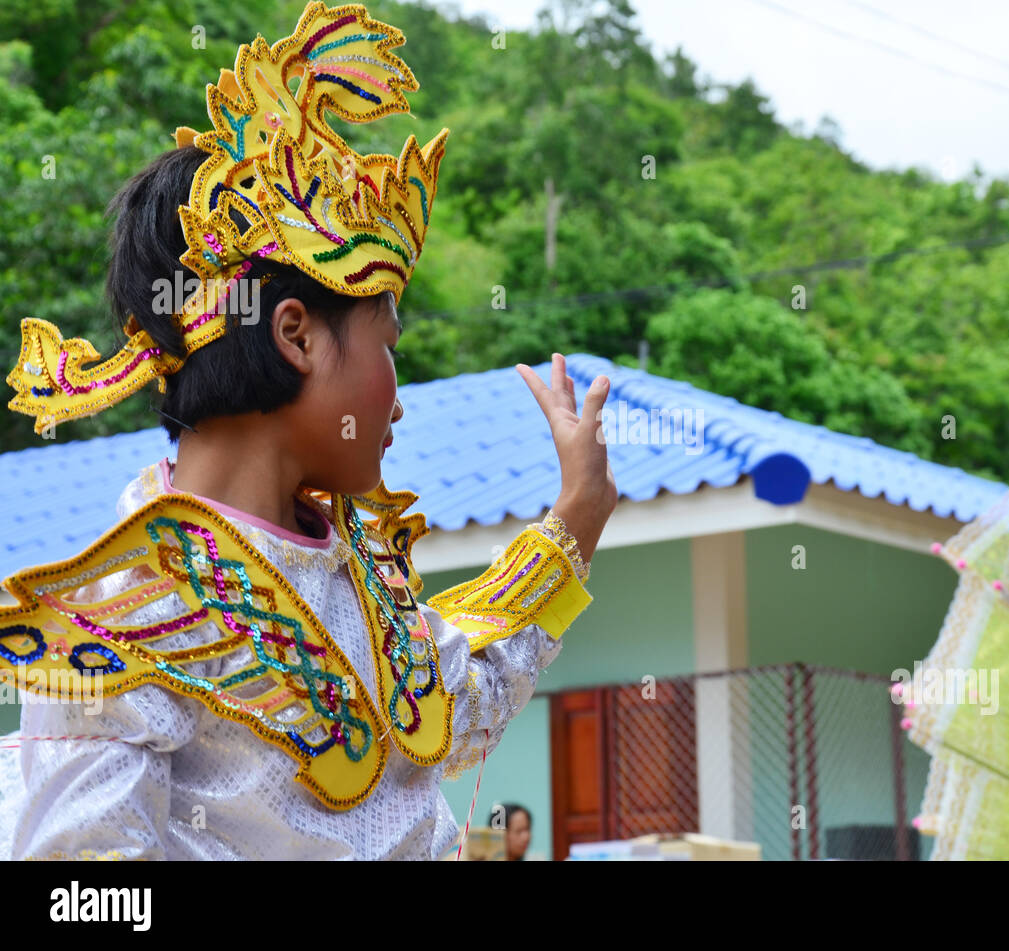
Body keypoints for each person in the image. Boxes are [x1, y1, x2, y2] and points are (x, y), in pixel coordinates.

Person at [0, 1, 617, 860]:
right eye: (389, 347)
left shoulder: (361, 563)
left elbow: (462, 706)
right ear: (296, 333)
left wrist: (577, 515)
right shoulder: (116, 614)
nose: (397, 400)